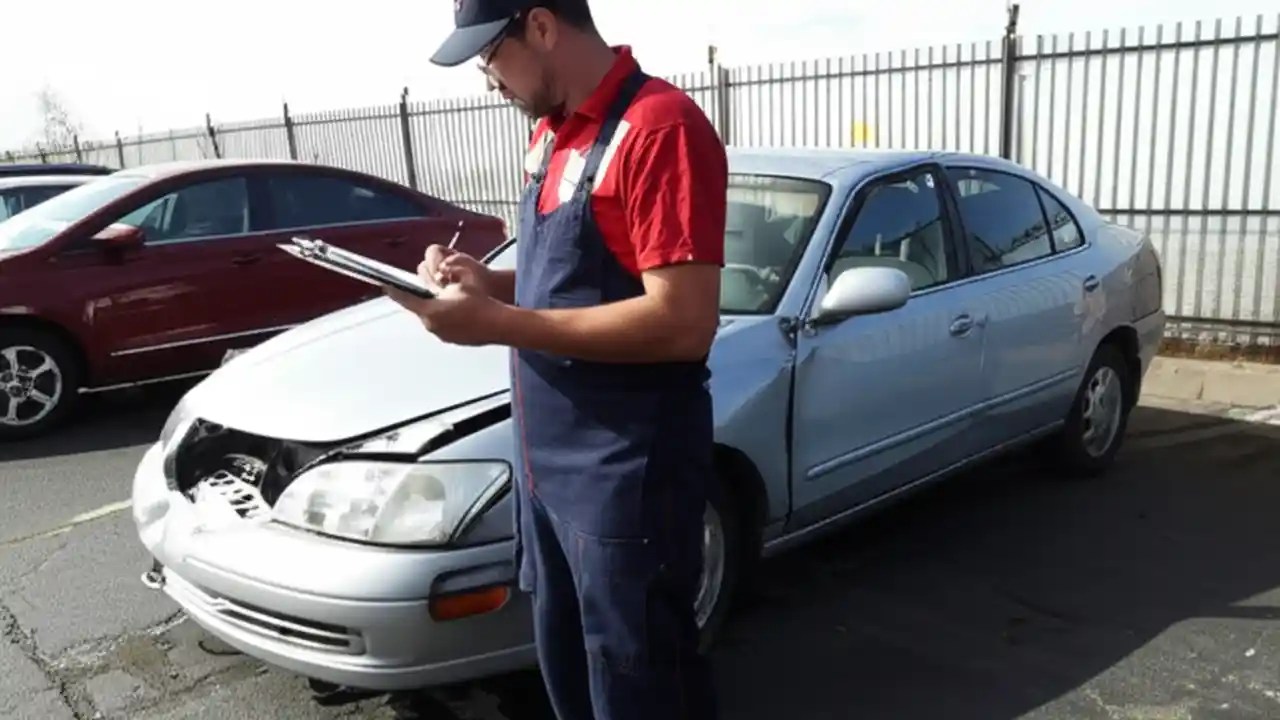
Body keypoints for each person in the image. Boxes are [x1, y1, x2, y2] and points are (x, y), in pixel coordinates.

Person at [384, 1, 727, 718]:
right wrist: (485, 282)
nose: (488, 81)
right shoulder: (550, 134)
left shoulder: (658, 128)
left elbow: (683, 321)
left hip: (626, 480)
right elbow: (566, 280)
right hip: (548, 475)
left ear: (540, 27)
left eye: (489, 58)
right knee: (570, 678)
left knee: (638, 686)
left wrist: (500, 323)